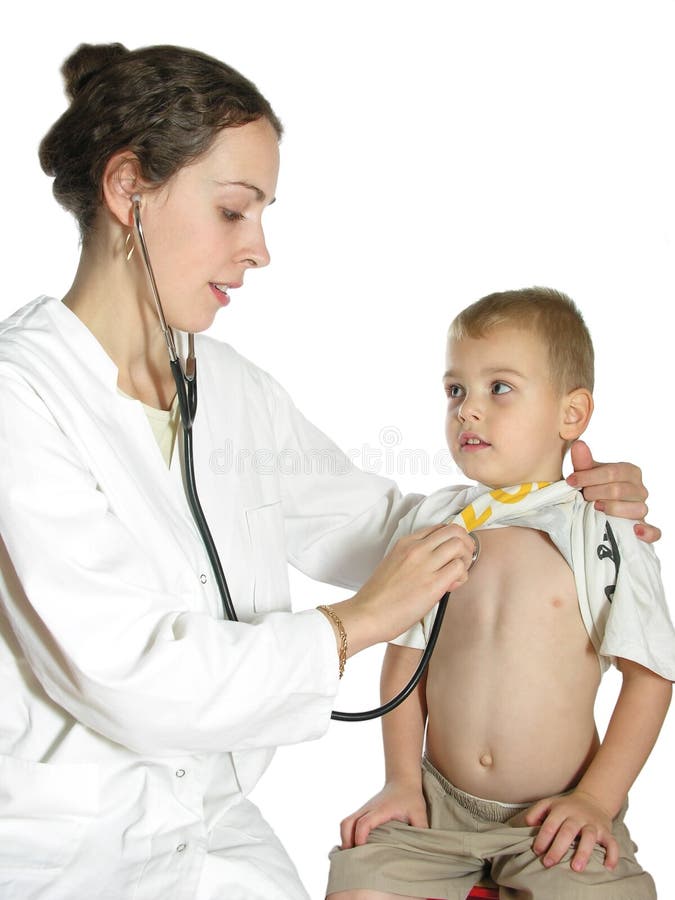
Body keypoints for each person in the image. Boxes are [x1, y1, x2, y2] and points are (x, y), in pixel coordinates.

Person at [0, 45, 657, 900]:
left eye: (264, 212)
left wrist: (553, 505)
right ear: (129, 189)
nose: (261, 248)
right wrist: (353, 625)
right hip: (66, 852)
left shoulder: (229, 390)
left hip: (216, 839)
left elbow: (381, 527)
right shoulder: (22, 399)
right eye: (235, 210)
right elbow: (123, 672)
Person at [326, 287, 675, 900]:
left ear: (572, 414)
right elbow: (405, 660)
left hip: (553, 814)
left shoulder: (607, 531)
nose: (467, 410)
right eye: (455, 390)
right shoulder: (435, 523)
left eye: (500, 388)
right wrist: (402, 780)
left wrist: (596, 799)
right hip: (437, 803)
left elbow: (651, 676)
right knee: (362, 882)